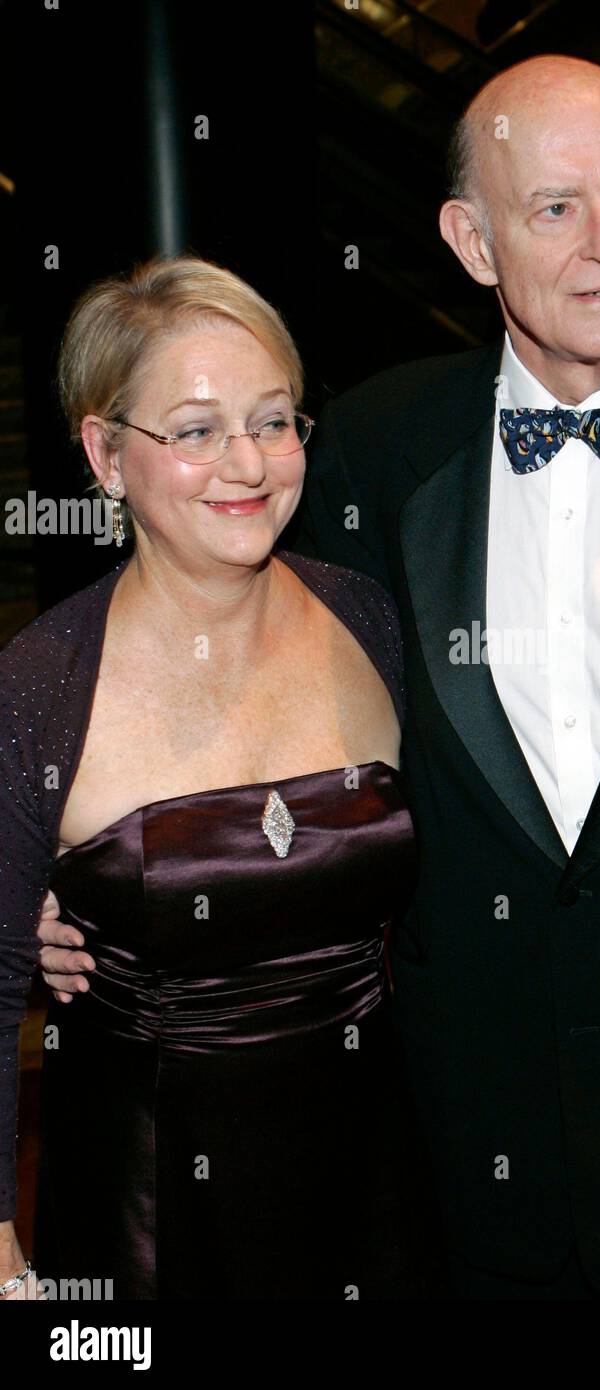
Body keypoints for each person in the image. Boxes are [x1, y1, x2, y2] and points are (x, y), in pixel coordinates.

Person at [39, 57, 600, 1300]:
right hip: (457, 1138)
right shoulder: (371, 446)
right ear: (471, 240)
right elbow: (262, 714)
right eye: (555, 208)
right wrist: (84, 889)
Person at [0, 256, 441, 1299]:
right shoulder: (38, 688)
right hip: (144, 1209)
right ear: (106, 454)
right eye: (195, 430)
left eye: (275, 419)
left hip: (372, 1180)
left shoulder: (368, 618)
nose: (248, 462)